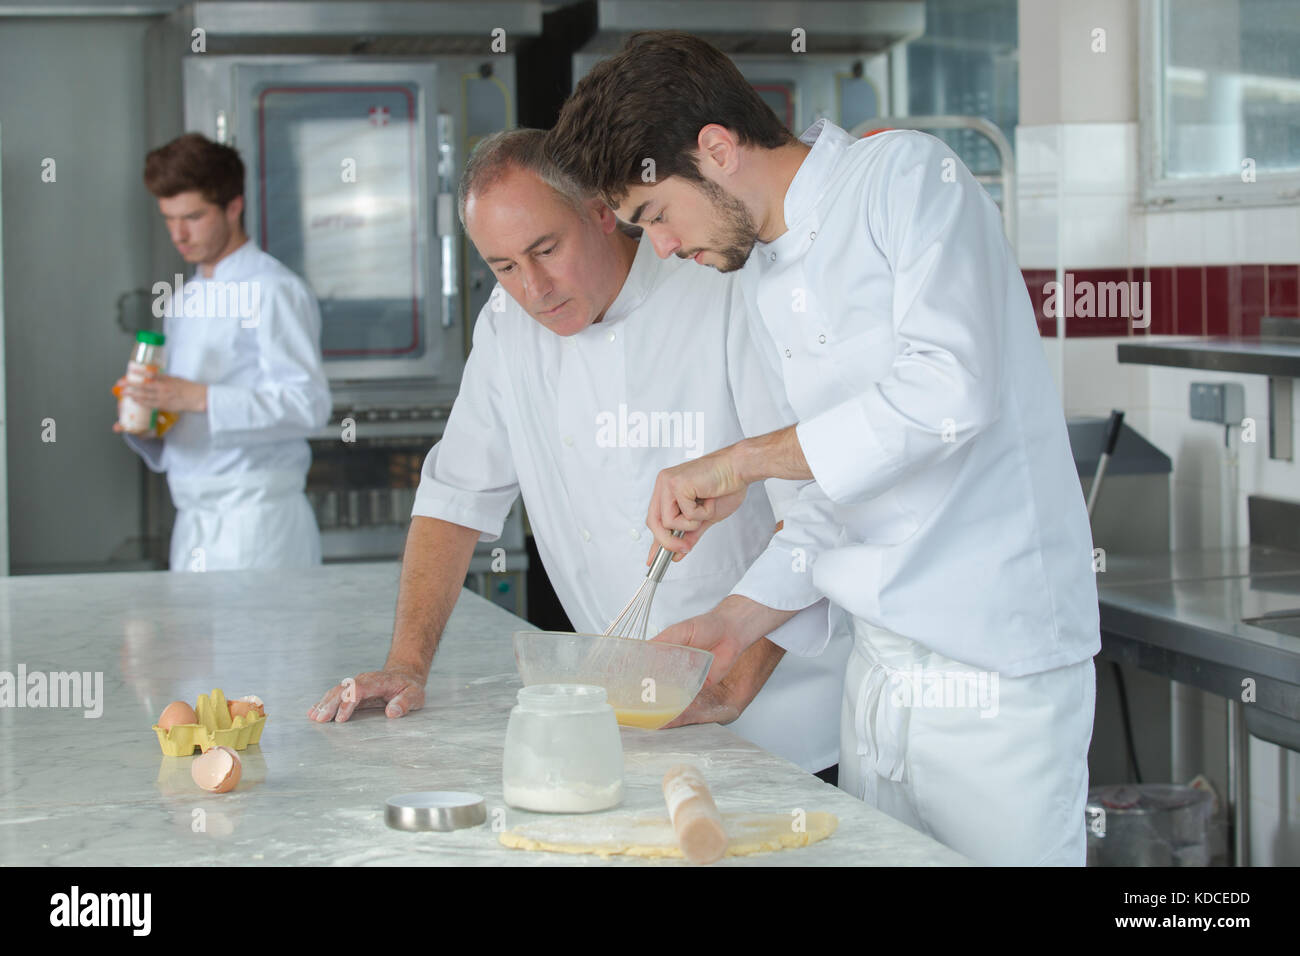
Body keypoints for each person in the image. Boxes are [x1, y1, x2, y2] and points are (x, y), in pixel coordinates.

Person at [546, 32, 1100, 865]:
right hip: (878, 674)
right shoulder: (765, 278)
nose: (660, 247)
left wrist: (738, 461)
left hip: (995, 670)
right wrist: (733, 620)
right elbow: (835, 500)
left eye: (655, 215)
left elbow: (951, 391)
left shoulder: (904, 179)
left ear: (718, 149)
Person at [308, 129, 850, 775]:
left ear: (600, 211)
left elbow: (818, 503)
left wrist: (738, 682)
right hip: (632, 722)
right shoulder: (507, 327)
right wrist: (406, 664)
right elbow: (455, 499)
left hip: (785, 717)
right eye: (504, 267)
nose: (532, 288)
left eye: (546, 249)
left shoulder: (719, 292)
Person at [117, 133, 331, 571]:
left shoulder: (274, 290)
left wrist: (197, 397)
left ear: (234, 206)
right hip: (192, 520)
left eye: (193, 216)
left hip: (258, 526)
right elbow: (188, 414)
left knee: (258, 643)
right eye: (169, 218)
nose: (179, 233)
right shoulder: (184, 298)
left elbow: (309, 405)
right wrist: (150, 421)